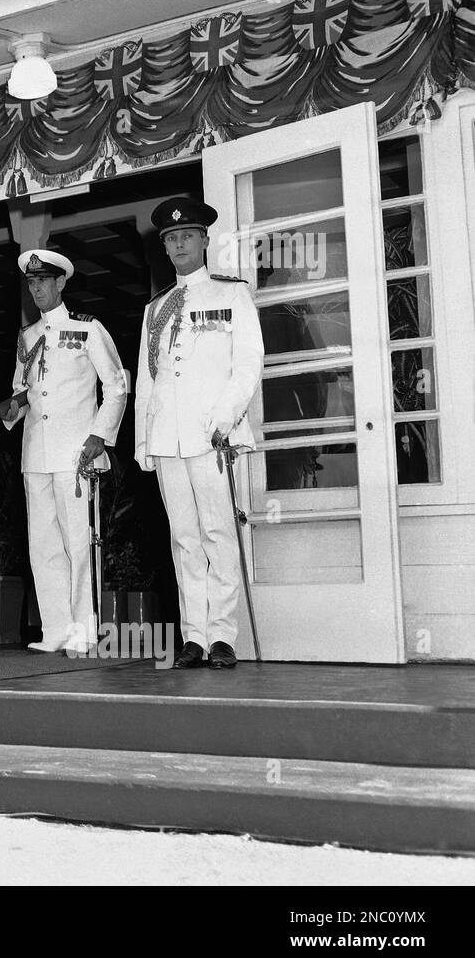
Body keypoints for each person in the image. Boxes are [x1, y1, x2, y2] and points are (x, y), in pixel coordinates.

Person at [134, 198, 264, 670]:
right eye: (171, 239)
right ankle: (194, 635)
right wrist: (143, 443)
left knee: (218, 533)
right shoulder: (156, 310)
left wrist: (226, 418)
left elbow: (249, 363)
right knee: (184, 539)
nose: (179, 244)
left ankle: (223, 636)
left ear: (205, 240)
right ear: (164, 249)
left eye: (187, 235)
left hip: (213, 436)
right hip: (167, 438)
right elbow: (148, 381)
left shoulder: (231, 295)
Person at [0, 248, 127, 656]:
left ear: (61, 282)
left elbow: (117, 385)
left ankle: (86, 630)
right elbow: (26, 393)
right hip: (36, 453)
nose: (37, 289)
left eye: (44, 281)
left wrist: (99, 435)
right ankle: (55, 629)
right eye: (32, 283)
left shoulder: (88, 329)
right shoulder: (28, 336)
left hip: (75, 453)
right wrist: (10, 408)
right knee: (44, 544)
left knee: (79, 543)